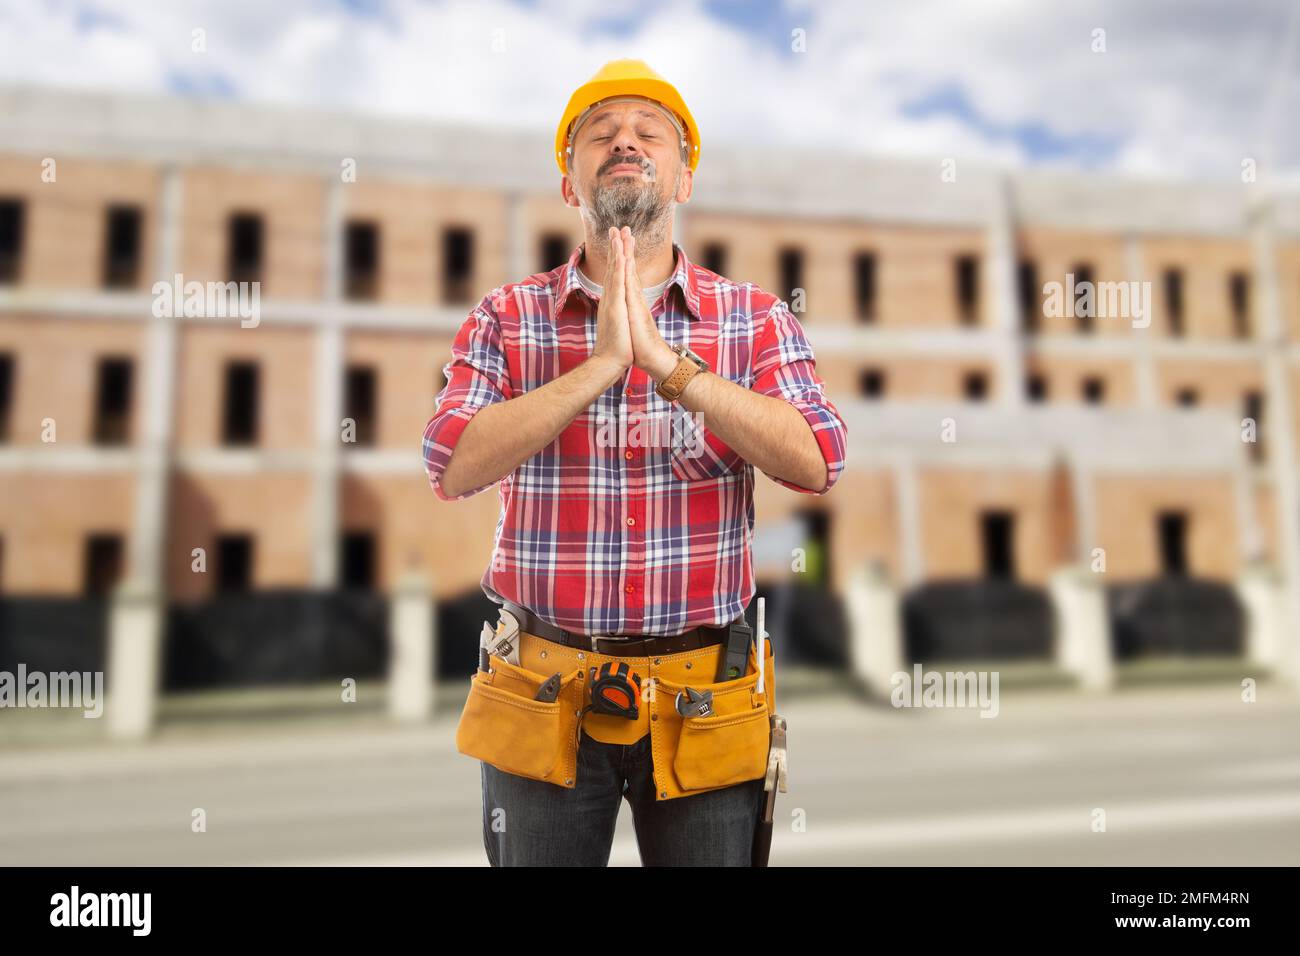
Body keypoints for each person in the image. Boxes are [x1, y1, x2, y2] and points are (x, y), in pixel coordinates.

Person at [423, 59, 847, 866]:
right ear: (568, 181)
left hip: (706, 701)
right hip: (540, 695)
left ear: (684, 177)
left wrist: (670, 367)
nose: (626, 142)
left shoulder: (754, 319)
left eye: (650, 133)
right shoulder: (506, 318)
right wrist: (600, 366)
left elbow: (818, 457)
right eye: (600, 134)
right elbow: (451, 461)